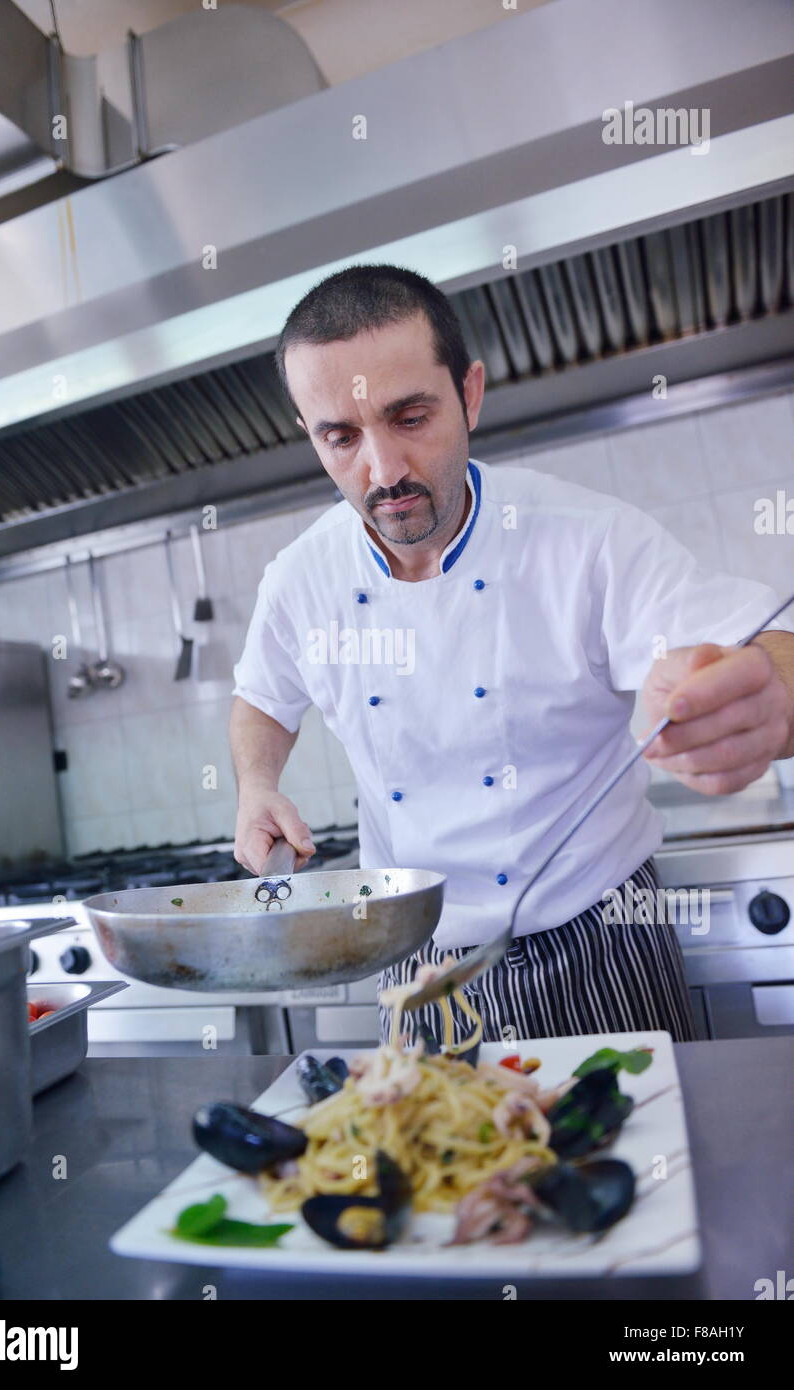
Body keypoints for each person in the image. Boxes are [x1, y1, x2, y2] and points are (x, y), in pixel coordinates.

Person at [230, 263, 794, 1045]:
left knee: (636, 1160)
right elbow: (261, 697)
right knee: (432, 1164)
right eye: (342, 437)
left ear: (469, 394)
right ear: (310, 435)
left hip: (601, 940)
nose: (382, 470)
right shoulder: (299, 579)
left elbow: (756, 639)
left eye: (410, 417)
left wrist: (767, 689)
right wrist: (256, 784)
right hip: (416, 960)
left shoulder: (583, 538)